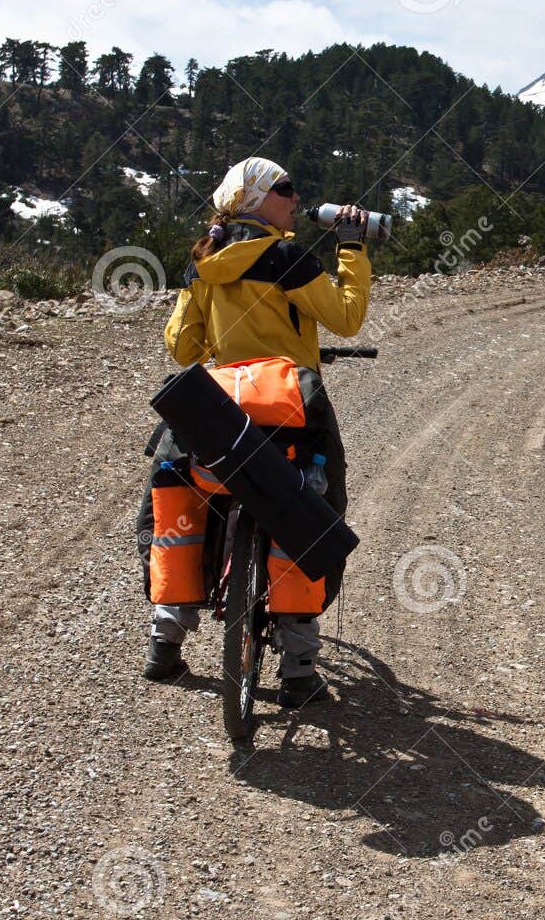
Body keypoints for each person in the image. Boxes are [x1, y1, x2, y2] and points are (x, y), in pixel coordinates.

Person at [139, 155, 372, 707]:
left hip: (220, 407)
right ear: (257, 200)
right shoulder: (287, 257)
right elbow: (346, 317)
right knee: (312, 506)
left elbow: (182, 347)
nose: (294, 198)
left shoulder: (207, 263)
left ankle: (165, 638)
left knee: (181, 492)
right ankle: (297, 667)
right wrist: (352, 248)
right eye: (284, 189)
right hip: (287, 401)